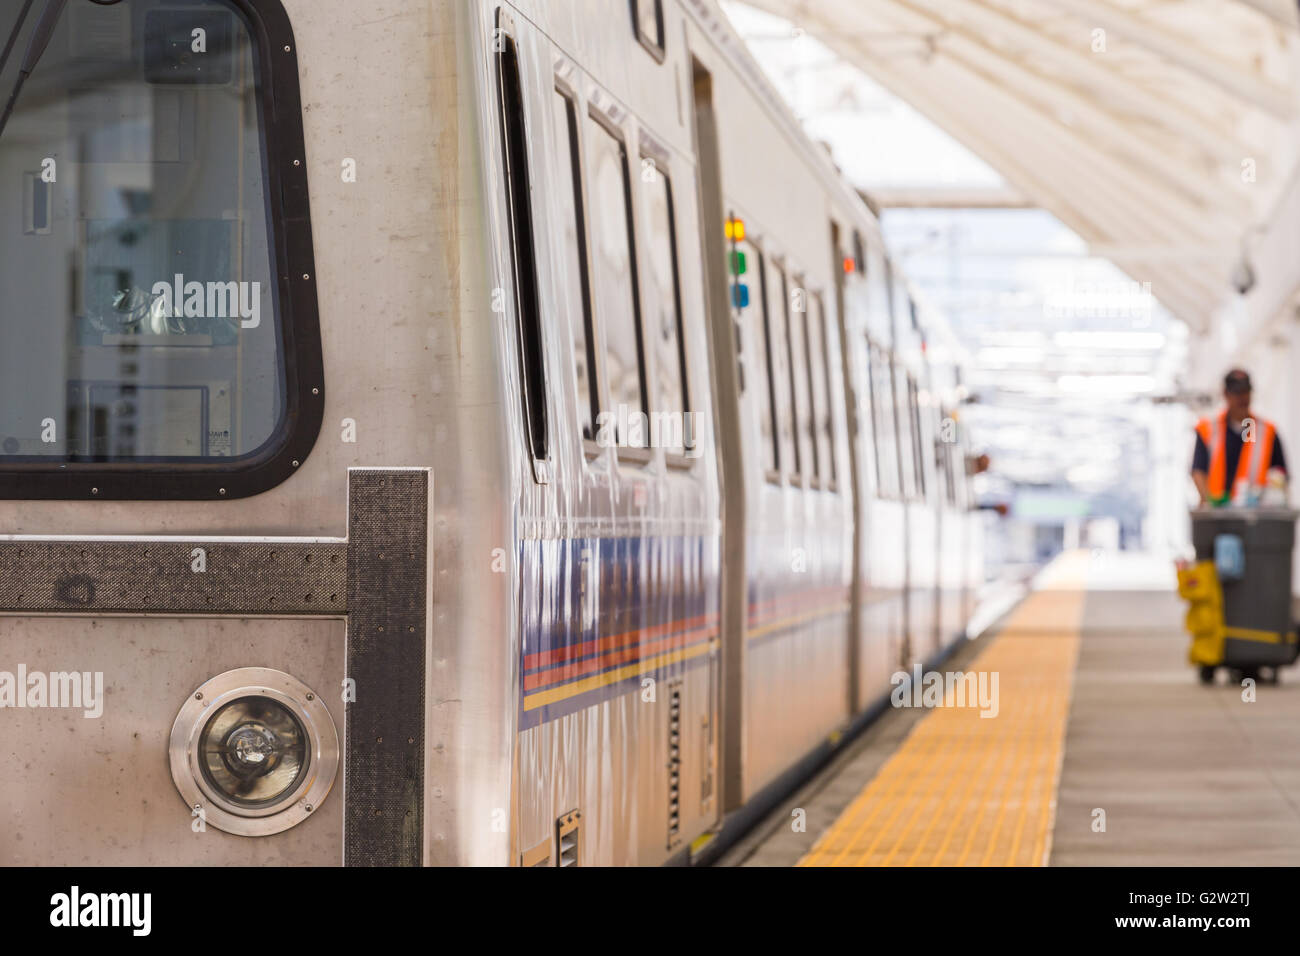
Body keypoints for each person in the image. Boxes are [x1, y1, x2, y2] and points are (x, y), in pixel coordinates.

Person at [1192, 369, 1287, 507]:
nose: (1243, 398)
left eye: (1246, 392)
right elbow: (1198, 471)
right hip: (1217, 516)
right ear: (1226, 394)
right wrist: (1209, 504)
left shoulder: (1266, 431)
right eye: (1237, 393)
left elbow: (1280, 474)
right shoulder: (1208, 429)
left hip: (1256, 517)